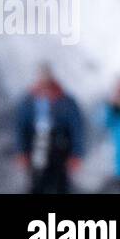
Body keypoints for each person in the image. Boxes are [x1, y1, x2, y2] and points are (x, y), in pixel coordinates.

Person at [15, 65, 84, 194]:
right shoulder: (29, 100)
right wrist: (21, 151)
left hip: (59, 147)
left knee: (60, 185)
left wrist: (77, 153)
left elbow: (77, 128)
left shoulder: (65, 100)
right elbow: (20, 127)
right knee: (37, 184)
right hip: (36, 146)